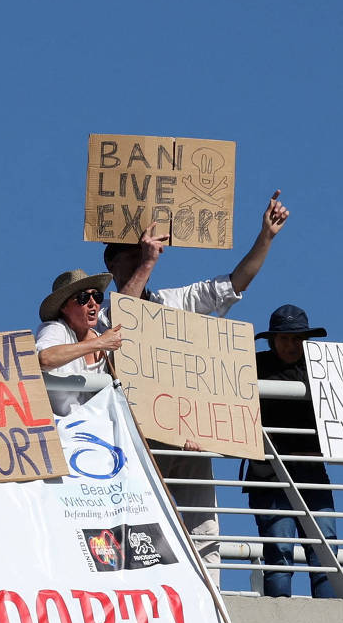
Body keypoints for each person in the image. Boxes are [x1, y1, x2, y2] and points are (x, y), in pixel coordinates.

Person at [103, 191, 292, 563]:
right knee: (137, 520)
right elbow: (123, 321)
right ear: (112, 264)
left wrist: (265, 236)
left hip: (185, 434)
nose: (145, 253)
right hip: (133, 437)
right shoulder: (104, 316)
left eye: (147, 249)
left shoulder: (174, 303)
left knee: (204, 528)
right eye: (133, 253)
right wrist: (147, 264)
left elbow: (232, 285)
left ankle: (210, 593)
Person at [246, 304, 338, 598]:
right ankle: (280, 617)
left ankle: (329, 616)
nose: (291, 345)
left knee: (326, 547)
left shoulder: (323, 369)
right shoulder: (250, 366)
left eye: (297, 338)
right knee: (279, 550)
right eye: (284, 338)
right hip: (269, 472)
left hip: (312, 471)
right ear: (272, 340)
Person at [35, 269, 122, 376]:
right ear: (63, 307)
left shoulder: (108, 343)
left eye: (97, 296)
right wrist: (99, 343)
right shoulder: (55, 328)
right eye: (83, 297)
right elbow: (44, 359)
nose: (93, 302)